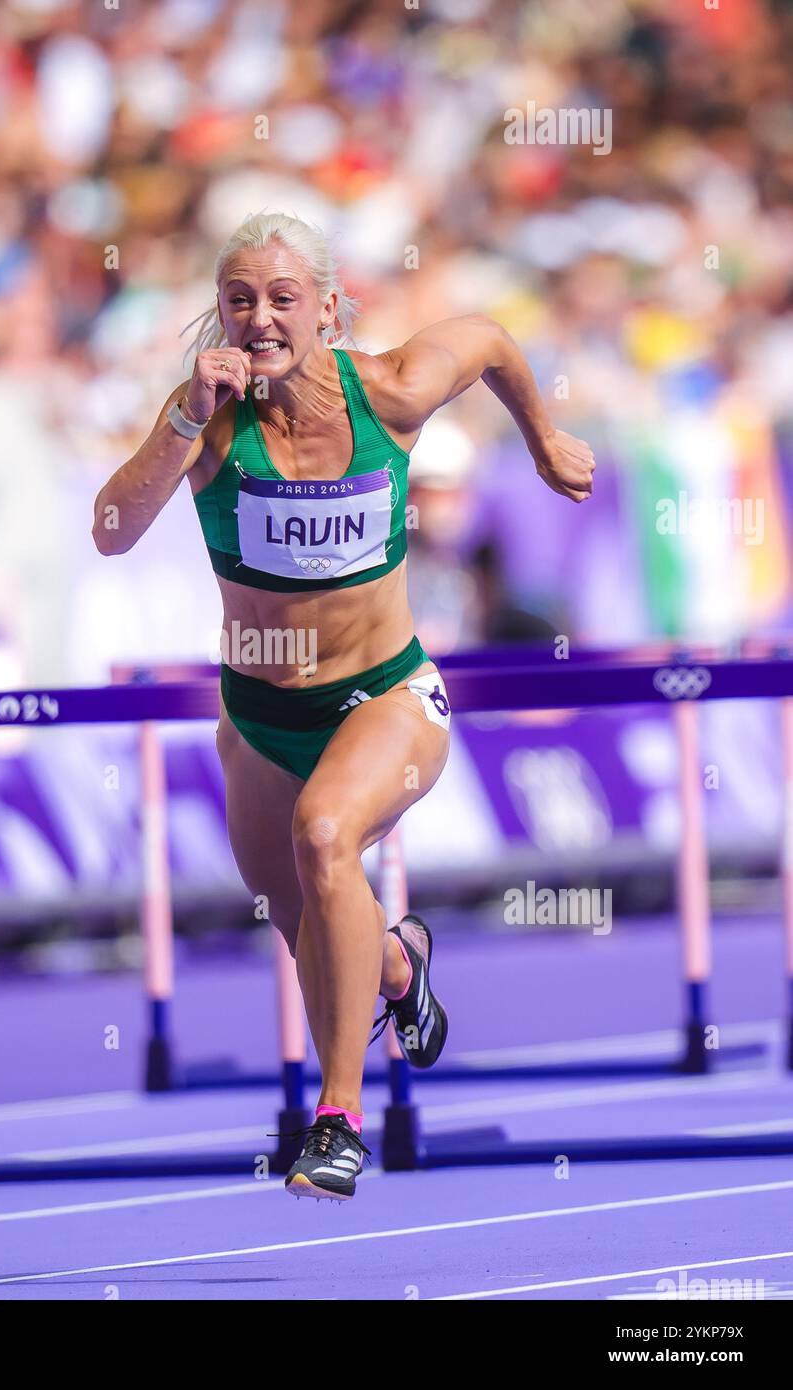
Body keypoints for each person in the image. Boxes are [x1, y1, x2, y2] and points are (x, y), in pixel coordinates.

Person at [93, 213, 594, 1202]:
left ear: (326, 306)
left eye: (282, 298)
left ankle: (335, 1121)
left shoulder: (390, 390)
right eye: (239, 300)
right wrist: (181, 420)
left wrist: (541, 440)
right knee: (309, 926)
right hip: (257, 716)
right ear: (217, 315)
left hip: (386, 695)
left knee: (327, 837)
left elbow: (489, 338)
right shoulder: (208, 420)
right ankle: (399, 967)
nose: (260, 318)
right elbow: (110, 530)